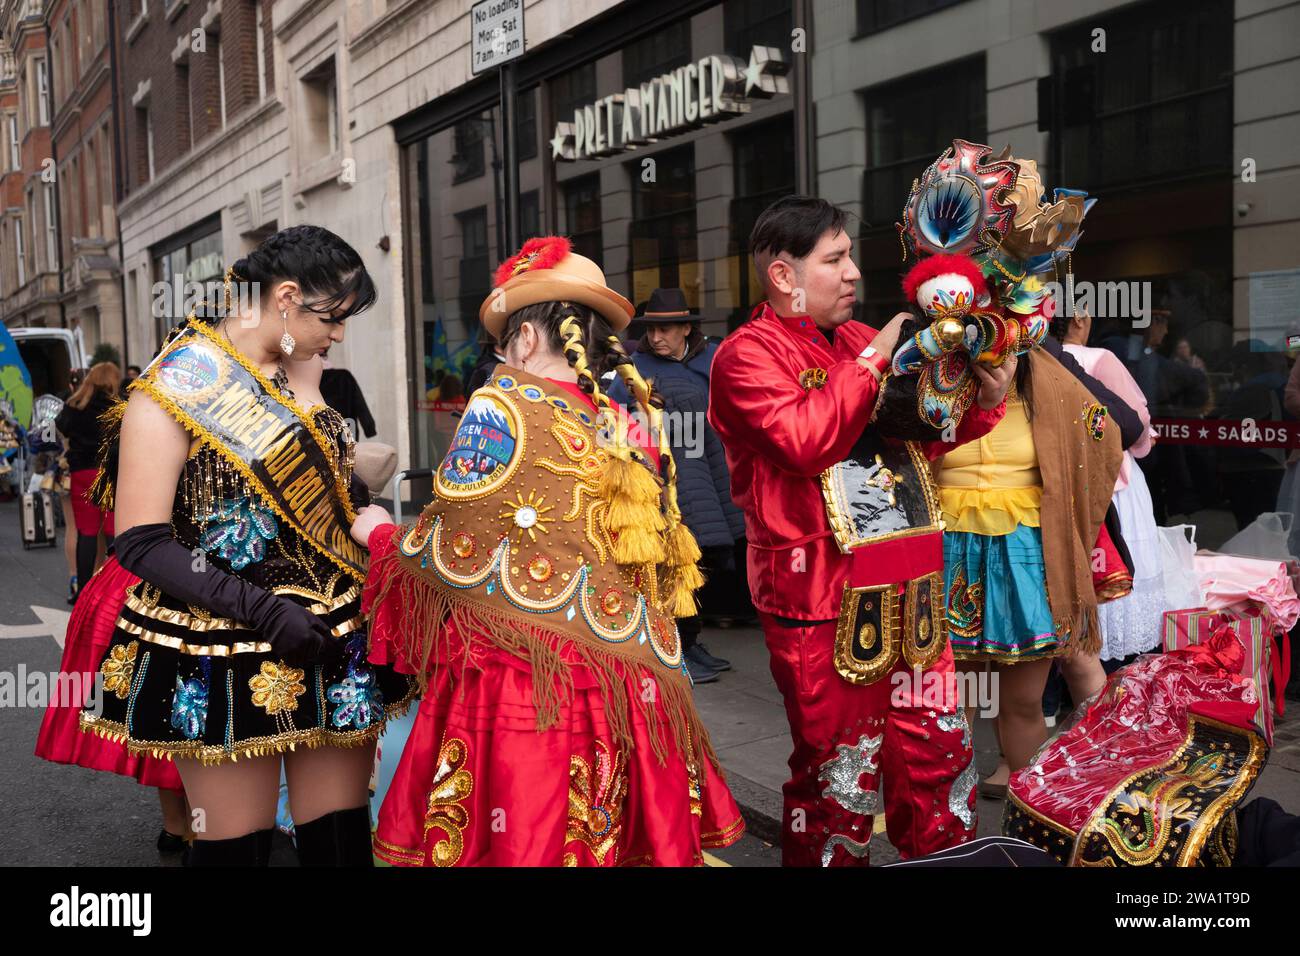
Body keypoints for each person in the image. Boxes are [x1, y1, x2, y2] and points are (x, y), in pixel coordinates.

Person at [358, 236, 744, 866]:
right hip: (631, 679)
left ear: (529, 340)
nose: (501, 359)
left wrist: (377, 532)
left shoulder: (501, 404)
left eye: (504, 343)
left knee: (527, 836)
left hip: (526, 680)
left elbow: (449, 548)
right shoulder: (628, 425)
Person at [76, 225, 415, 866]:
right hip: (220, 636)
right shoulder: (173, 385)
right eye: (333, 317)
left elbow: (331, 490)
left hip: (331, 630)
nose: (338, 334)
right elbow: (140, 539)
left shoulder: (301, 368)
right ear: (286, 297)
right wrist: (261, 608)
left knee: (341, 843)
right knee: (236, 852)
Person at [708, 197, 1015, 866]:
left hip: (914, 589)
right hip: (823, 599)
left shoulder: (858, 342)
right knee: (838, 779)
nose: (853, 273)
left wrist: (984, 405)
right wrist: (877, 359)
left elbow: (918, 445)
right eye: (834, 259)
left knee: (941, 762)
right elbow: (805, 441)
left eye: (850, 256)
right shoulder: (745, 357)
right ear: (784, 276)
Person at [607, 287, 749, 684]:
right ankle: (676, 650)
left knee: (703, 564)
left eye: (666, 329)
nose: (656, 338)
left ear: (686, 327)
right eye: (651, 330)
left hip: (715, 479)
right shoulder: (632, 371)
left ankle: (692, 640)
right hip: (666, 486)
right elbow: (612, 429)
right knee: (673, 567)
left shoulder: (715, 360)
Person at [1058, 308, 1164, 669]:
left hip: (1065, 479)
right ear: (1079, 321)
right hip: (1113, 483)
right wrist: (1144, 444)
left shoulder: (1033, 360)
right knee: (1118, 561)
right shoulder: (1099, 358)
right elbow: (1134, 420)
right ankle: (1110, 674)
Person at [55, 362, 121, 601]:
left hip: (82, 472)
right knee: (114, 531)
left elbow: (60, 427)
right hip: (110, 473)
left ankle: (82, 593)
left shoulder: (74, 405)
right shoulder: (118, 406)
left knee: (87, 532)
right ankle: (117, 593)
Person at [319, 349, 377, 438]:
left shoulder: (304, 381)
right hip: (346, 432)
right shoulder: (344, 376)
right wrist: (369, 428)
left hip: (319, 435)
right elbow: (360, 404)